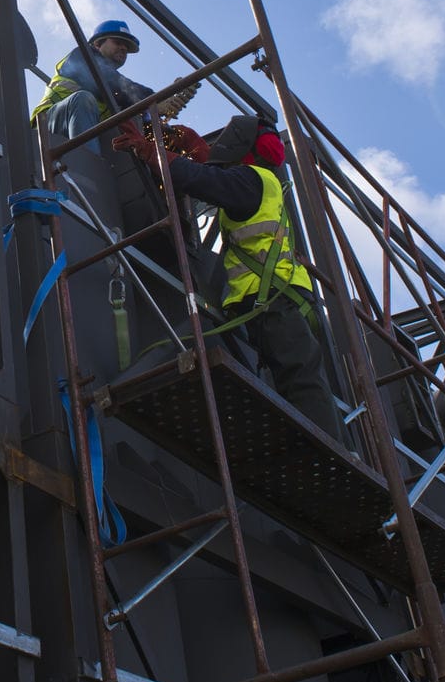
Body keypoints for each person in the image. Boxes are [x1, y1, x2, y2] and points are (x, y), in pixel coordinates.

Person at [115, 113, 345, 443]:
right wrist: (194, 144)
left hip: (274, 300)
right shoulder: (262, 183)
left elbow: (200, 179)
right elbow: (214, 176)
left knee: (299, 378)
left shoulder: (250, 181)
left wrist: (151, 152)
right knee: (294, 376)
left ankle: (327, 446)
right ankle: (323, 442)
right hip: (278, 301)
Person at [31, 19, 154, 144]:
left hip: (81, 133)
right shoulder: (81, 56)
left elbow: (131, 102)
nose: (123, 48)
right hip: (46, 127)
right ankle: (87, 161)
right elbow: (110, 80)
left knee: (127, 126)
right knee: (83, 99)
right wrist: (152, 98)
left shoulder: (118, 90)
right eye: (117, 42)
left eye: (126, 47)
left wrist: (162, 106)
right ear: (97, 44)